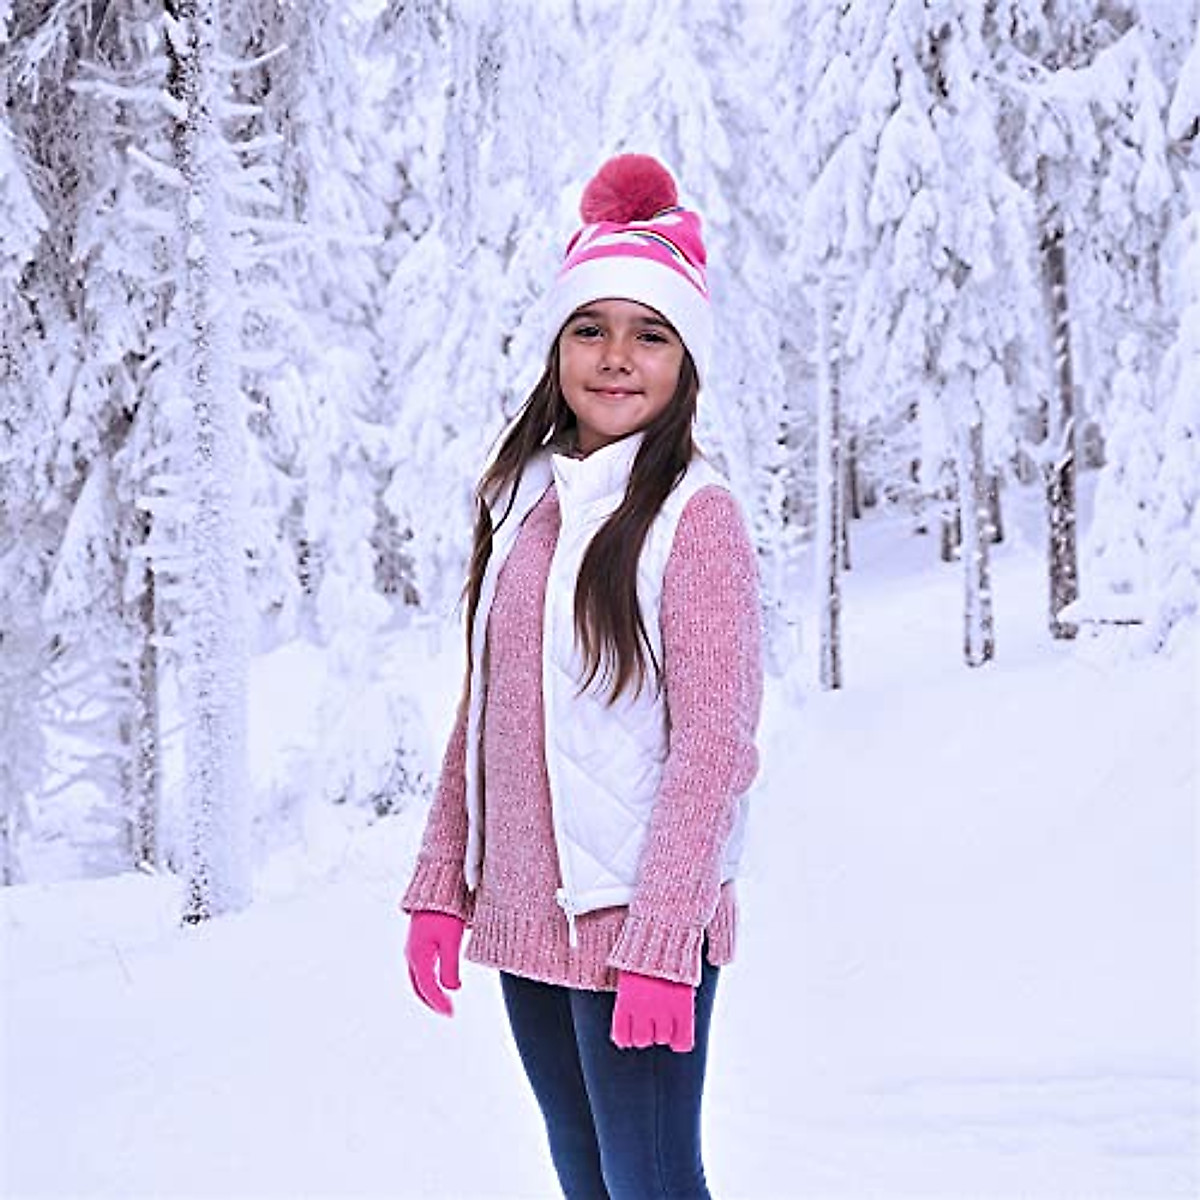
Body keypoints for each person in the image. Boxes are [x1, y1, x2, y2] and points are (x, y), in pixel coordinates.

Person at [401, 152, 763, 1200]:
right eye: (590, 329)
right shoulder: (524, 502)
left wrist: (662, 942)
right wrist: (441, 885)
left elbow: (714, 748)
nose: (615, 359)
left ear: (686, 361)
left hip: (632, 921)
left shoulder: (695, 519)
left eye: (651, 334)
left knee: (651, 1181)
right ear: (557, 345)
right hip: (528, 915)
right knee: (585, 1173)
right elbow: (487, 710)